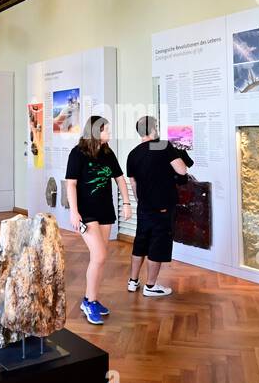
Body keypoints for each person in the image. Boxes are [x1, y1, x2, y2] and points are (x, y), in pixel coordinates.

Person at [65, 115, 131, 326]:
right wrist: (74, 212)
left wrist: (127, 203)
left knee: (99, 259)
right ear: (95, 131)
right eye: (106, 130)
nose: (109, 134)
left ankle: (89, 298)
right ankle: (90, 301)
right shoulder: (77, 153)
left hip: (105, 211)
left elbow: (120, 178)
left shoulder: (107, 152)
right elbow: (71, 184)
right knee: (99, 255)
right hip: (86, 213)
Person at [125, 116, 193, 297]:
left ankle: (133, 281)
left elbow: (133, 183)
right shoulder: (162, 145)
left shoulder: (133, 153)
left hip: (144, 206)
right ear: (153, 129)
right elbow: (182, 171)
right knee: (157, 243)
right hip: (162, 206)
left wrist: (140, 201)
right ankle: (150, 286)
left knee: (140, 242)